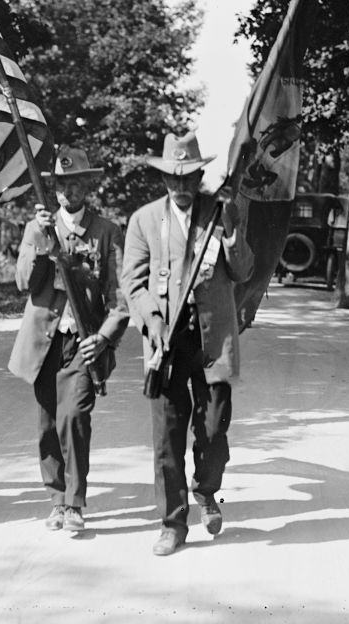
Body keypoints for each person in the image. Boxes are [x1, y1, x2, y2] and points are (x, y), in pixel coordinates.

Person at [121, 132, 253, 556]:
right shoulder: (143, 220)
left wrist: (231, 227)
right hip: (166, 344)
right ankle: (172, 523)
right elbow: (132, 282)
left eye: (188, 178)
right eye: (172, 179)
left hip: (213, 339)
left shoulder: (220, 212)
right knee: (168, 435)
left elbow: (243, 271)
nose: (180, 187)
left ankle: (206, 489)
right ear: (163, 179)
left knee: (213, 428)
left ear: (199, 176)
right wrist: (151, 318)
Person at [8, 146, 130, 535]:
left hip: (84, 340)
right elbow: (24, 283)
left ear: (87, 186)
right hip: (44, 341)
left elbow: (121, 296)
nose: (69, 191)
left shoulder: (106, 232)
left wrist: (106, 338)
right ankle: (56, 499)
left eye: (77, 183)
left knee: (74, 416)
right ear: (54, 187)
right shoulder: (36, 228)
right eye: (62, 184)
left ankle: (75, 502)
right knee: (47, 422)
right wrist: (44, 242)